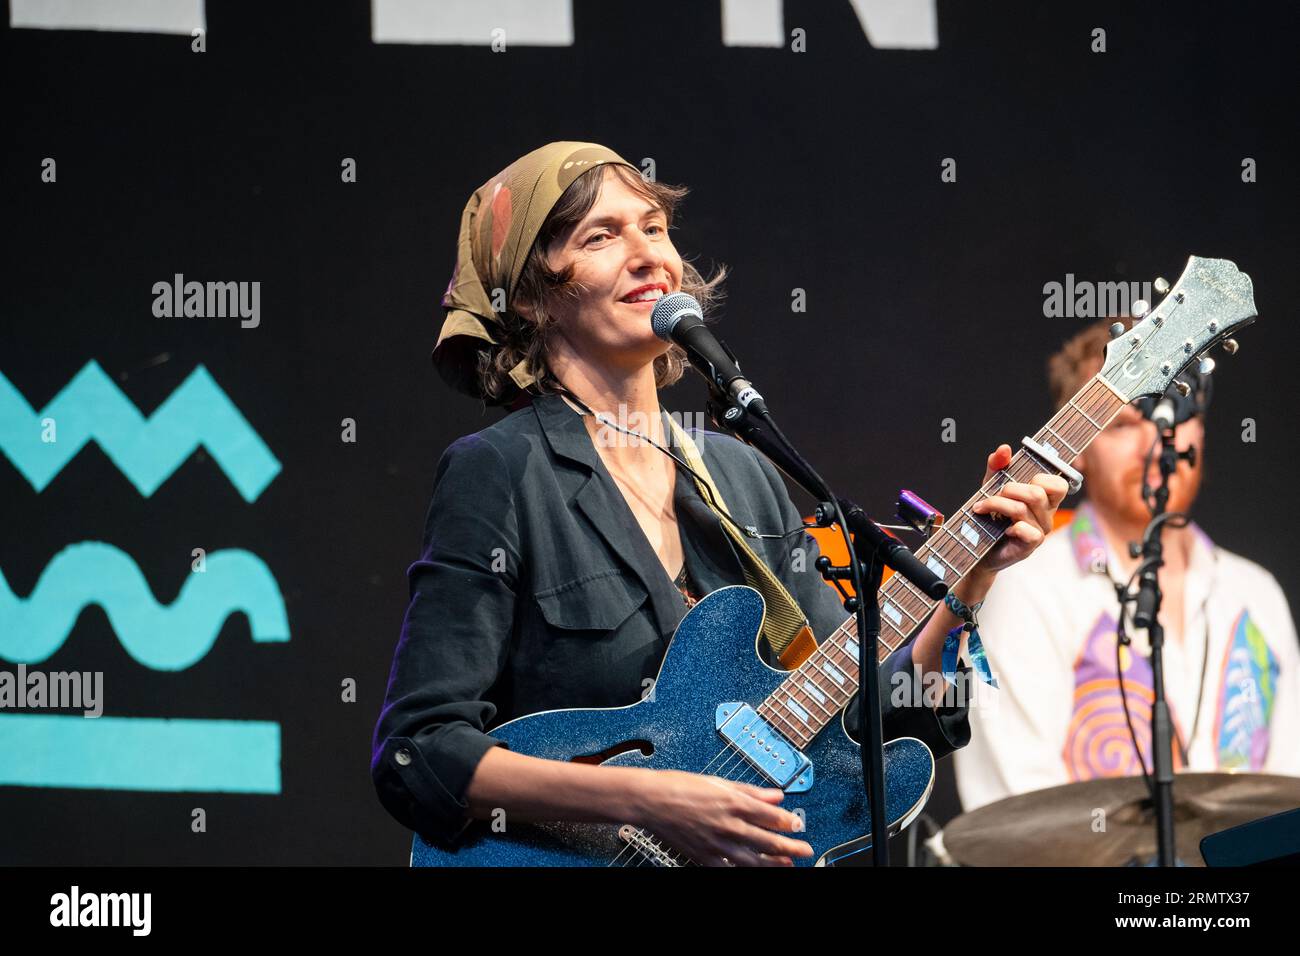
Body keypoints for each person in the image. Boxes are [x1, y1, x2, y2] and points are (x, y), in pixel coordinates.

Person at [371, 141, 1068, 866]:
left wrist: (970, 581)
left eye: (653, 227)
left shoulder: (741, 475)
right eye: (601, 236)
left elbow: (866, 723)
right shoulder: (500, 471)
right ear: (529, 295)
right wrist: (649, 799)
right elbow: (418, 752)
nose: (647, 256)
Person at [955, 317, 1300, 813]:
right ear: (1081, 450)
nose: (1153, 442)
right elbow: (1018, 812)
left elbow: (1284, 796)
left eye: (1173, 413)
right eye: (1122, 424)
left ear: (1200, 429)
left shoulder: (1257, 594)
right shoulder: (1026, 585)